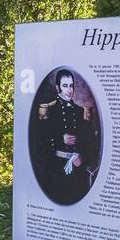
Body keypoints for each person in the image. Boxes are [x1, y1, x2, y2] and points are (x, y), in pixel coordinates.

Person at [34, 69, 100, 204]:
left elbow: (89, 140)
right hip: (56, 167)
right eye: (65, 86)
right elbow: (40, 139)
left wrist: (82, 157)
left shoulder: (81, 111)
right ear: (58, 87)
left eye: (71, 86)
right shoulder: (49, 109)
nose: (69, 90)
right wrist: (59, 139)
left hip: (78, 167)